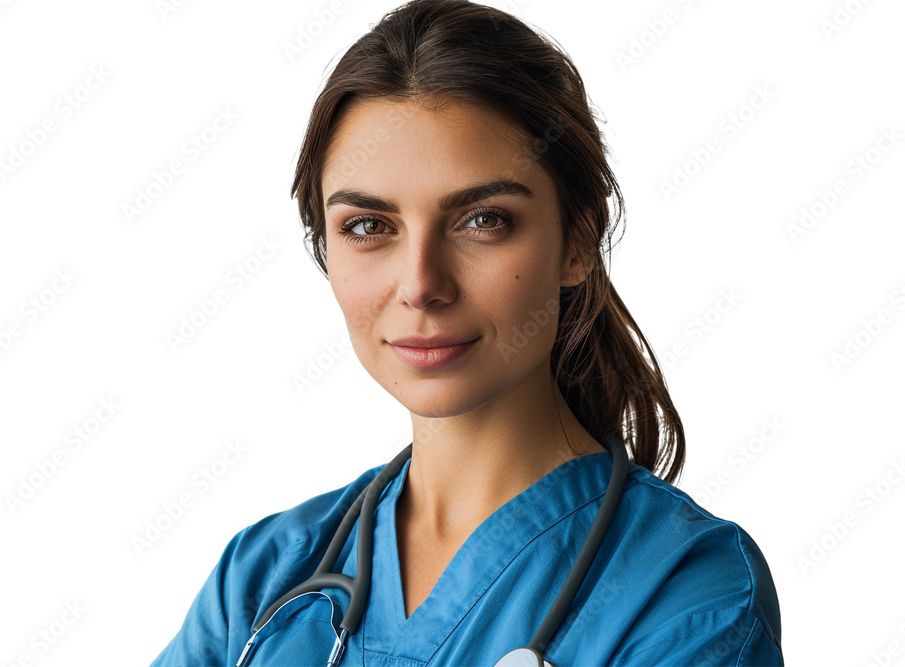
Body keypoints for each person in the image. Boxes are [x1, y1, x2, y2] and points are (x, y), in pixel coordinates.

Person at [150, 0, 783, 664]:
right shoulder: (260, 579)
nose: (420, 283)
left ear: (578, 240)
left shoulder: (686, 591)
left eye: (483, 220)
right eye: (369, 226)